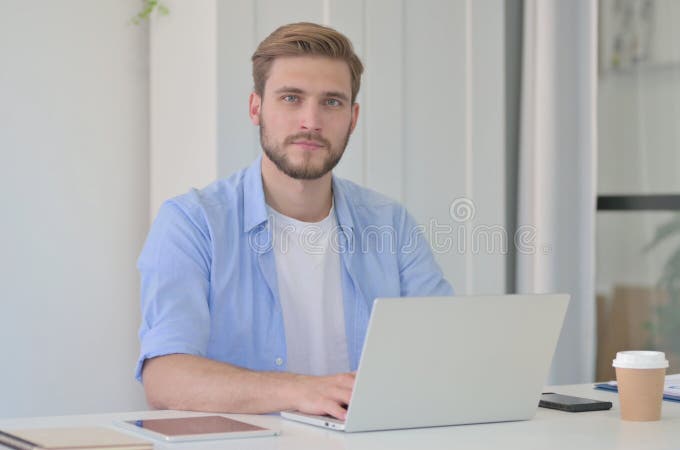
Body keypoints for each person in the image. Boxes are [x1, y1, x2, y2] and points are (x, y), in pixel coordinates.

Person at [136, 22, 452, 421]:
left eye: (331, 103)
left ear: (353, 119)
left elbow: (445, 351)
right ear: (256, 108)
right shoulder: (192, 222)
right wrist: (302, 391)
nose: (311, 121)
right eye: (291, 98)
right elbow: (165, 378)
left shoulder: (390, 224)